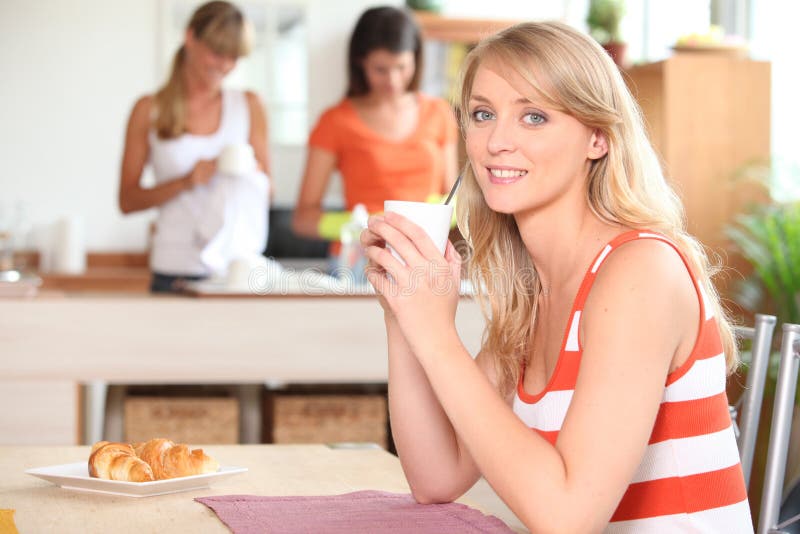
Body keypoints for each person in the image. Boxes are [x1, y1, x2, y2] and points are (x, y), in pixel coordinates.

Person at [361, 21, 752, 532]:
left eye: (534, 117)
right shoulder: (534, 295)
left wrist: (437, 335)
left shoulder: (640, 273)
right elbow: (435, 476)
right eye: (483, 114)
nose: (496, 141)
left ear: (597, 137)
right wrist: (403, 312)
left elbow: (567, 516)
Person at [119, 0, 270, 293]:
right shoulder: (149, 110)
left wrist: (247, 173)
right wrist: (186, 181)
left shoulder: (248, 105)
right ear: (190, 38)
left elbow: (269, 189)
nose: (225, 66)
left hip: (234, 272)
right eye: (217, 53)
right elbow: (127, 200)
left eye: (234, 57)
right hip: (173, 270)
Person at [292, 6, 458, 245]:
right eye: (380, 69)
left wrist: (434, 216)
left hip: (422, 257)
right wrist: (363, 225)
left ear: (416, 58)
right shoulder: (335, 121)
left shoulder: (439, 113)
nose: (393, 80)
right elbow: (303, 219)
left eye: (402, 67)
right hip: (360, 261)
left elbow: (450, 203)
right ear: (361, 63)